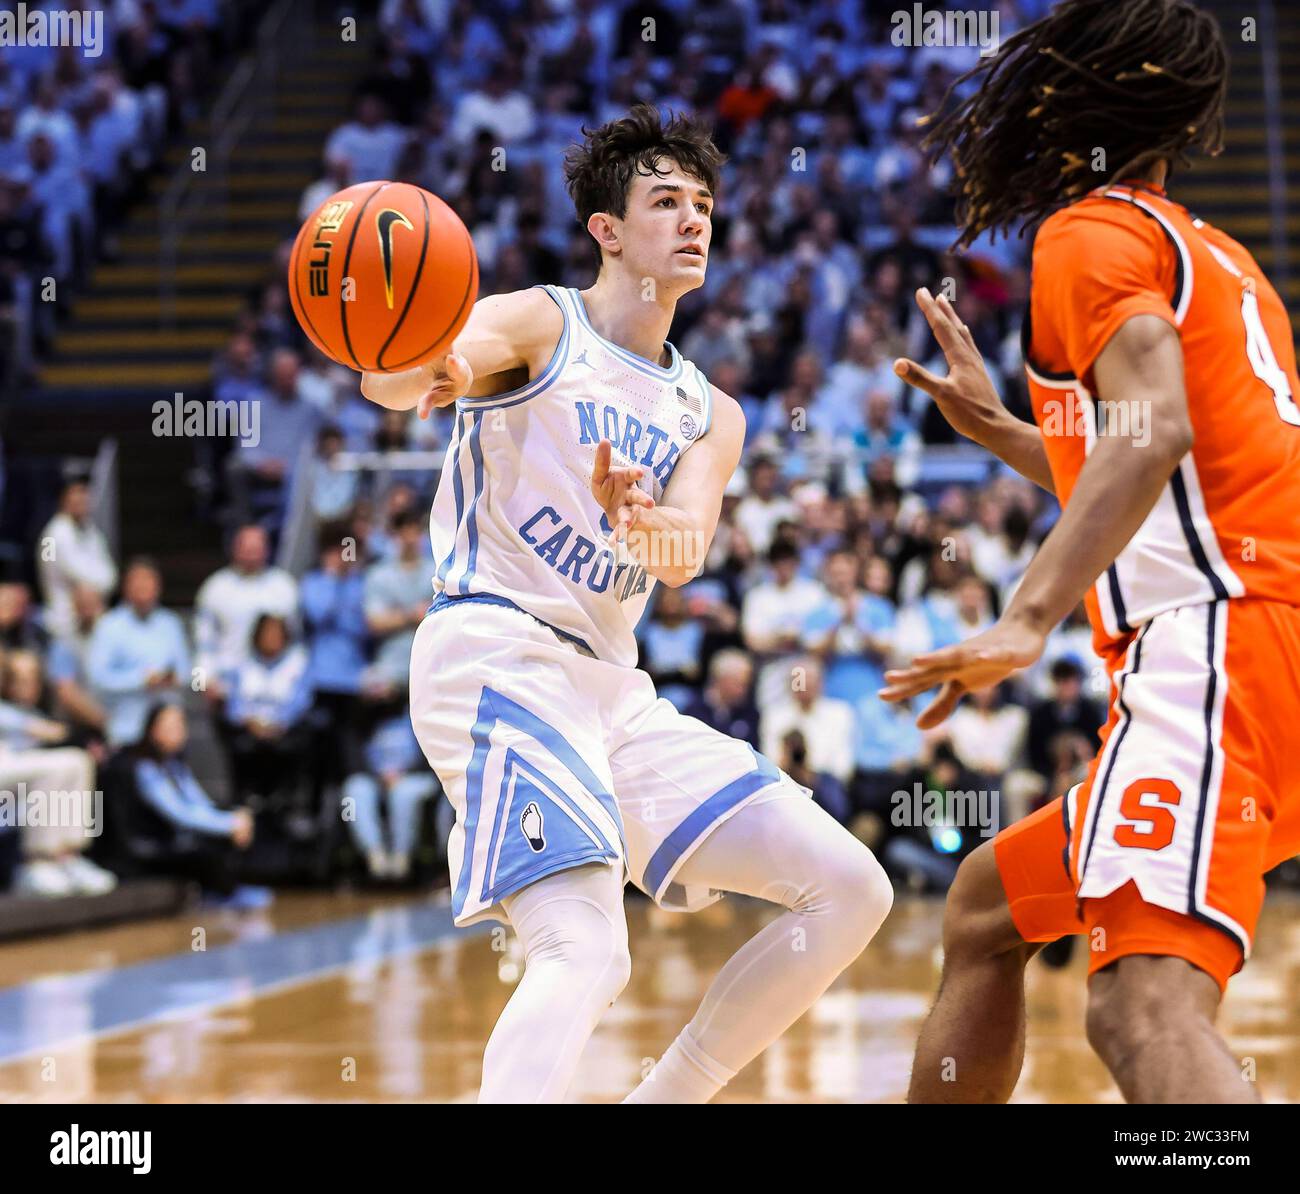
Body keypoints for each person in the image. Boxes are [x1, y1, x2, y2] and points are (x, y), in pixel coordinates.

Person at [359, 105, 891, 1104]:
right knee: (583, 950)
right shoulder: (539, 323)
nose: (693, 221)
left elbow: (683, 556)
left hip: (612, 691)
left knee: (853, 886)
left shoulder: (711, 411)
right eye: (664, 202)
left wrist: (642, 519)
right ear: (606, 229)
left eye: (703, 204)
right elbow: (411, 376)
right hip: (497, 653)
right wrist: (411, 367)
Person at [887, 0, 1300, 1104]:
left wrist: (1025, 618)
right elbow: (1154, 458)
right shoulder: (1218, 258)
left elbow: (1151, 432)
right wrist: (1005, 434)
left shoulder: (1090, 232)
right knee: (987, 905)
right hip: (1253, 647)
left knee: (1140, 1007)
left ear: (1074, 99)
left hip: (1211, 648)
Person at [124, 703, 266, 909]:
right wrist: (229, 825)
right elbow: (179, 814)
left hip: (184, 836)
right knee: (210, 845)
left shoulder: (175, 765)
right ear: (152, 730)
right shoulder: (145, 768)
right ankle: (222, 893)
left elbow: (200, 804)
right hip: (157, 845)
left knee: (240, 821)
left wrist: (235, 819)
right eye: (170, 727)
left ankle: (232, 888)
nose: (178, 733)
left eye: (181, 726)